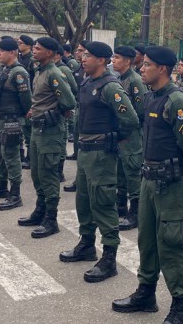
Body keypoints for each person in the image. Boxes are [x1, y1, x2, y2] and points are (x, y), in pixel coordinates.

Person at [112, 46, 183, 324]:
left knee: (172, 244)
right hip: (149, 180)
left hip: (171, 185)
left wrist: (182, 170)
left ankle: (180, 308)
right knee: (147, 241)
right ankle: (146, 293)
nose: (142, 68)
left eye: (148, 65)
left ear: (162, 69)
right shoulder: (152, 96)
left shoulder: (177, 101)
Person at [59, 41, 139, 283]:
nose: (83, 58)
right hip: (86, 152)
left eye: (89, 55)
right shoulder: (87, 82)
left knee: (103, 203)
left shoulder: (110, 86)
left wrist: (114, 139)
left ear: (102, 60)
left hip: (102, 155)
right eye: (83, 55)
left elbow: (131, 120)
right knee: (84, 202)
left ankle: (109, 258)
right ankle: (86, 244)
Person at [17, 37, 77, 238]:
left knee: (48, 174)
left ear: (50, 52)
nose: (34, 50)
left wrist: (52, 112)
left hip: (50, 131)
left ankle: (51, 219)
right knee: (37, 173)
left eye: (38, 48)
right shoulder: (39, 71)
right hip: (37, 130)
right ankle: (40, 210)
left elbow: (69, 101)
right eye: (34, 47)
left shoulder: (54, 74)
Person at [0, 38, 33, 210]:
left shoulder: (19, 72)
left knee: (11, 156)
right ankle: (1, 186)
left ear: (13, 52)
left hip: (11, 121)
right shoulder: (4, 69)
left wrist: (24, 116)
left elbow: (26, 100)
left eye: (2, 51)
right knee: (0, 154)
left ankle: (15, 194)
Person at [112, 45, 148, 230]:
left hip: (132, 135)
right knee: (120, 171)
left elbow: (140, 111)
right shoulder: (120, 79)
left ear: (127, 61)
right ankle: (121, 207)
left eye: (117, 58)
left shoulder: (135, 81)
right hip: (120, 134)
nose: (113, 60)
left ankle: (135, 212)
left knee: (133, 173)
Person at [55, 45, 79, 182]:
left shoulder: (63, 69)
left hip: (61, 110)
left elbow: (74, 88)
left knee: (60, 140)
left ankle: (59, 171)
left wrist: (66, 104)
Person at [18, 34, 35, 169]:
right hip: (20, 97)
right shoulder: (19, 59)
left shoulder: (31, 60)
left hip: (30, 96)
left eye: (21, 43)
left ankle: (30, 157)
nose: (19, 45)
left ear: (28, 45)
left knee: (29, 130)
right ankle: (22, 155)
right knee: (22, 129)